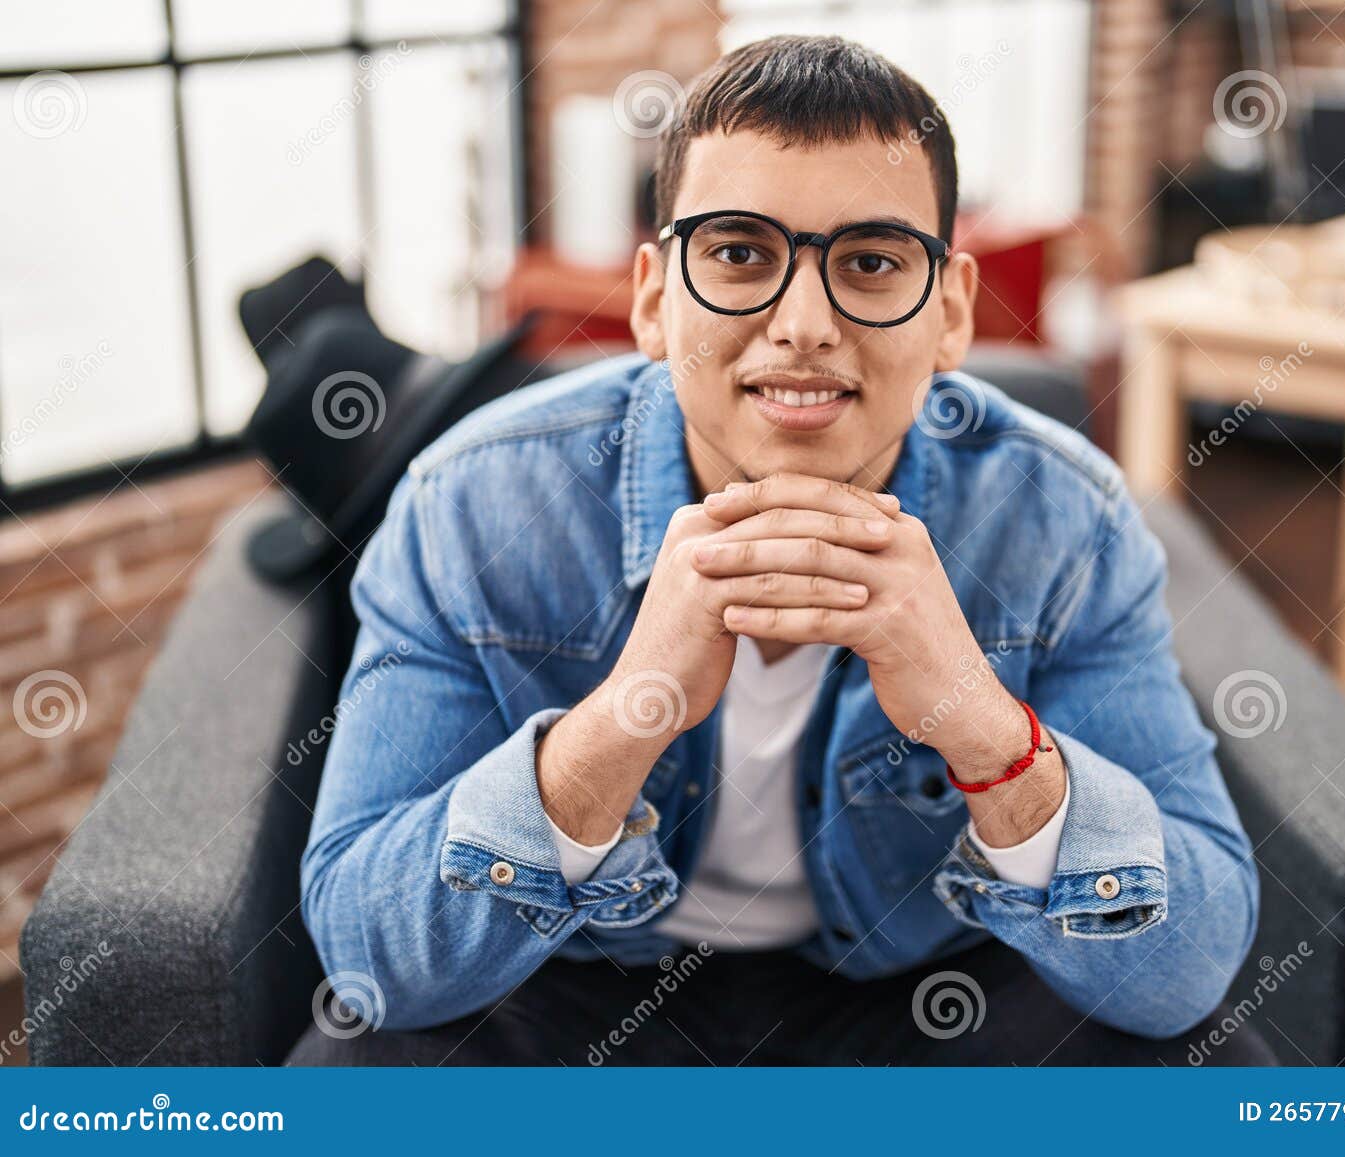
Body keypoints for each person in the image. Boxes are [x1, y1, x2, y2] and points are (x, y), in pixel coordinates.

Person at [292, 34, 1269, 1066]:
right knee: (360, 1065)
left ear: (948, 312)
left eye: (872, 262)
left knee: (1208, 1068)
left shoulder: (1066, 519)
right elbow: (364, 955)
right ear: (654, 298)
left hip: (932, 993)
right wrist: (625, 714)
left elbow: (1192, 962)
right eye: (738, 253)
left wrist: (980, 722)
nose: (802, 324)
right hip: (577, 987)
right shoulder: (467, 506)